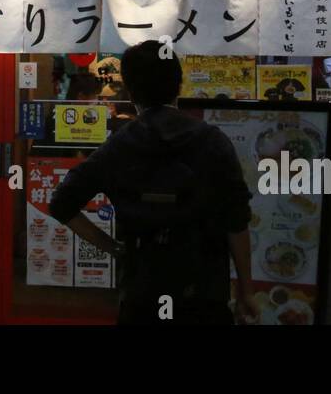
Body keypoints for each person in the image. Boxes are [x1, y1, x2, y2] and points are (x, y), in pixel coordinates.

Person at [49, 40, 258, 325]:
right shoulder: (212, 141)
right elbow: (237, 221)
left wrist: (115, 249)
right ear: (179, 85)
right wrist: (247, 291)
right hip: (203, 293)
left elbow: (61, 203)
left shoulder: (118, 146)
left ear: (131, 90)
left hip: (142, 293)